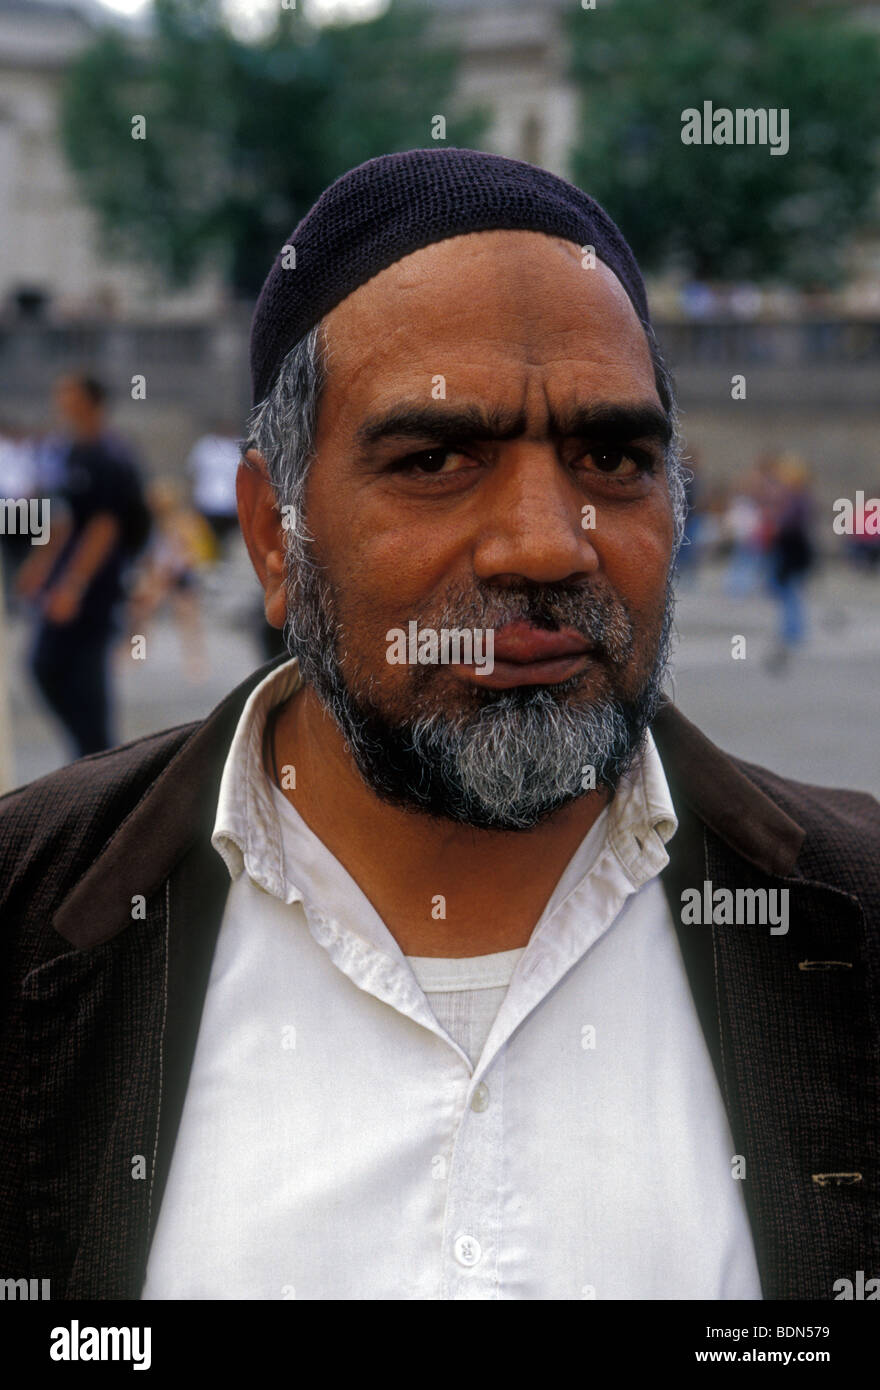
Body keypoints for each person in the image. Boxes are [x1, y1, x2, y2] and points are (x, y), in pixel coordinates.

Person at [0, 149, 877, 1302]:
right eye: (436, 460)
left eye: (610, 457)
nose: (544, 544)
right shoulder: (27, 912)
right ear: (274, 536)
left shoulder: (854, 914)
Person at [15, 374, 150, 757]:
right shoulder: (71, 452)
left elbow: (104, 526)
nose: (60, 401)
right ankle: (87, 755)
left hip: (95, 587)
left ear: (91, 401)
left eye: (69, 394)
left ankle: (98, 762)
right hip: (66, 580)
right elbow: (66, 520)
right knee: (45, 667)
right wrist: (39, 565)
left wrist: (73, 586)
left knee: (86, 681)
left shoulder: (112, 456)